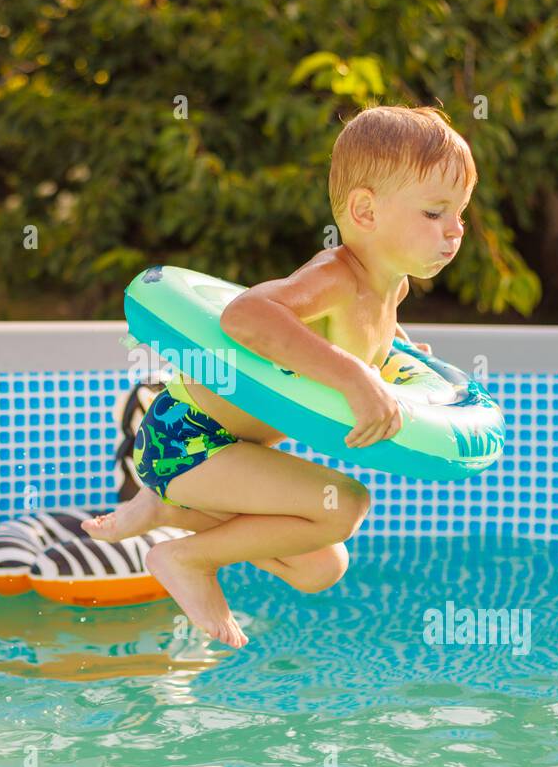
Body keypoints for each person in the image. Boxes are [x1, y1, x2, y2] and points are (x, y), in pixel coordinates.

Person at [84, 105, 476, 648]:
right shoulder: (335, 278)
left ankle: (167, 509)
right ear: (364, 211)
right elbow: (244, 316)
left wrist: (400, 357)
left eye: (460, 214)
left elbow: (367, 340)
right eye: (435, 213)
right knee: (350, 502)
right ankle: (182, 557)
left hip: (226, 455)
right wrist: (353, 377)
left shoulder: (393, 289)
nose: (454, 231)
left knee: (322, 566)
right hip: (187, 437)